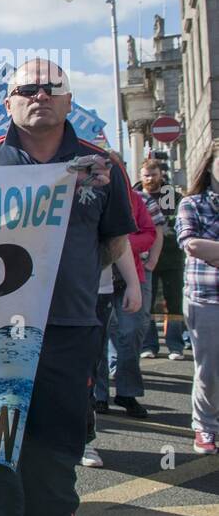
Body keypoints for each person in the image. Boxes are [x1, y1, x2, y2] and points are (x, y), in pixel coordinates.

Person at [0, 59, 135, 516]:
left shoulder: (102, 166)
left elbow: (113, 239)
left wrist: (127, 285)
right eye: (27, 89)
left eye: (51, 88)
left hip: (70, 325)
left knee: (57, 444)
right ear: (8, 102)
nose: (39, 96)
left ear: (68, 100)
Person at [91, 166, 155, 424]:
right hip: (97, 282)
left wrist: (121, 248)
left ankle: (127, 393)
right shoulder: (85, 193)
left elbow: (146, 233)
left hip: (126, 277)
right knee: (98, 342)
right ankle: (99, 395)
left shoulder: (135, 199)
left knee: (130, 334)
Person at [177, 141, 219, 454]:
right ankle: (205, 425)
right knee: (210, 368)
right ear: (210, 166)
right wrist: (205, 249)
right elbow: (191, 244)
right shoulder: (192, 204)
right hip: (206, 297)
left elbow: (206, 248)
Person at [138, 157, 187, 360]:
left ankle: (175, 346)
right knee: (146, 304)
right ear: (140, 176)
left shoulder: (172, 197)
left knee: (174, 302)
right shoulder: (134, 195)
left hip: (171, 259)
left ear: (161, 175)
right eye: (146, 175)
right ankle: (148, 345)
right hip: (143, 258)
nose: (150, 179)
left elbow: (180, 223)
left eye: (154, 175)